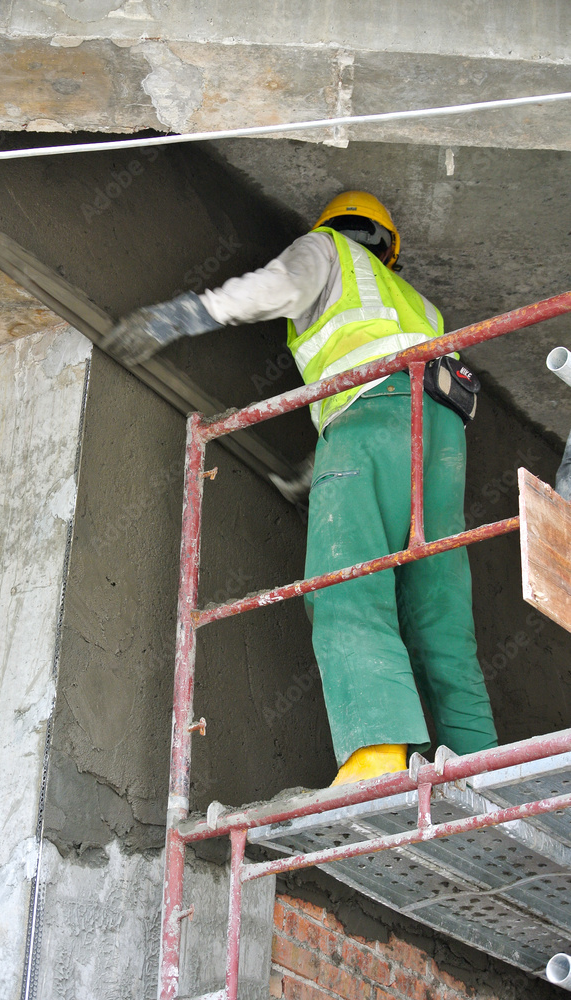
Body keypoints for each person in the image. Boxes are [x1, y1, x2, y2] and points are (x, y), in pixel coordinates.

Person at [101, 190, 498, 785]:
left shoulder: (328, 249)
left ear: (338, 227)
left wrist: (185, 313)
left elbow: (281, 284)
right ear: (390, 249)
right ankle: (484, 769)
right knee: (438, 611)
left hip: (369, 419)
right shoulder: (418, 304)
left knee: (344, 585)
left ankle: (377, 755)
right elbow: (397, 385)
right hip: (441, 440)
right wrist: (324, 462)